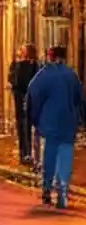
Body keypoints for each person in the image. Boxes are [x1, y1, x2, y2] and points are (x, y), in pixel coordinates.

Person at [27, 45, 83, 209]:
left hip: (49, 122)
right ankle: (62, 191)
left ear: (50, 57)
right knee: (65, 156)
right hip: (67, 123)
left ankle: (46, 188)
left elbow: (33, 94)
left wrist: (35, 118)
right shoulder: (71, 75)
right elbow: (79, 98)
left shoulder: (44, 75)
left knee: (49, 156)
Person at [8, 44, 38, 165]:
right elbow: (12, 79)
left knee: (26, 125)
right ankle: (24, 152)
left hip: (27, 96)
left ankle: (27, 152)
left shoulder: (32, 65)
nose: (21, 51)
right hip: (20, 96)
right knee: (22, 125)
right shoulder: (17, 64)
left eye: (23, 50)